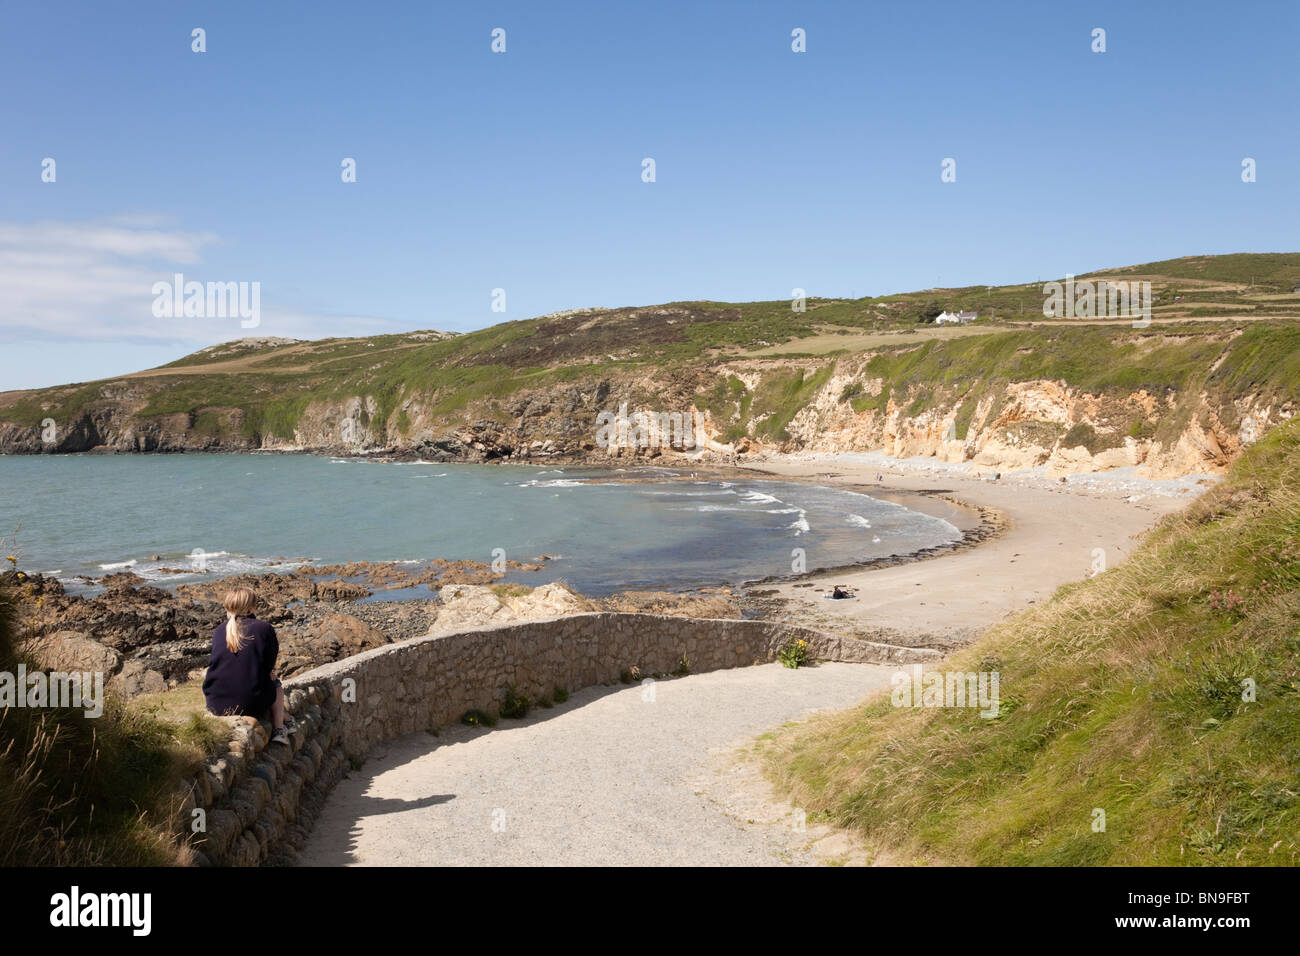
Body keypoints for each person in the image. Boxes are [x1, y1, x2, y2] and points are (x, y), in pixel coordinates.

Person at [202, 588, 296, 745]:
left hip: (215, 703)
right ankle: (280, 729)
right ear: (251, 608)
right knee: (275, 683)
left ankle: (284, 718)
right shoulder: (264, 628)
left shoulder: (219, 631)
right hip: (249, 704)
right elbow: (268, 666)